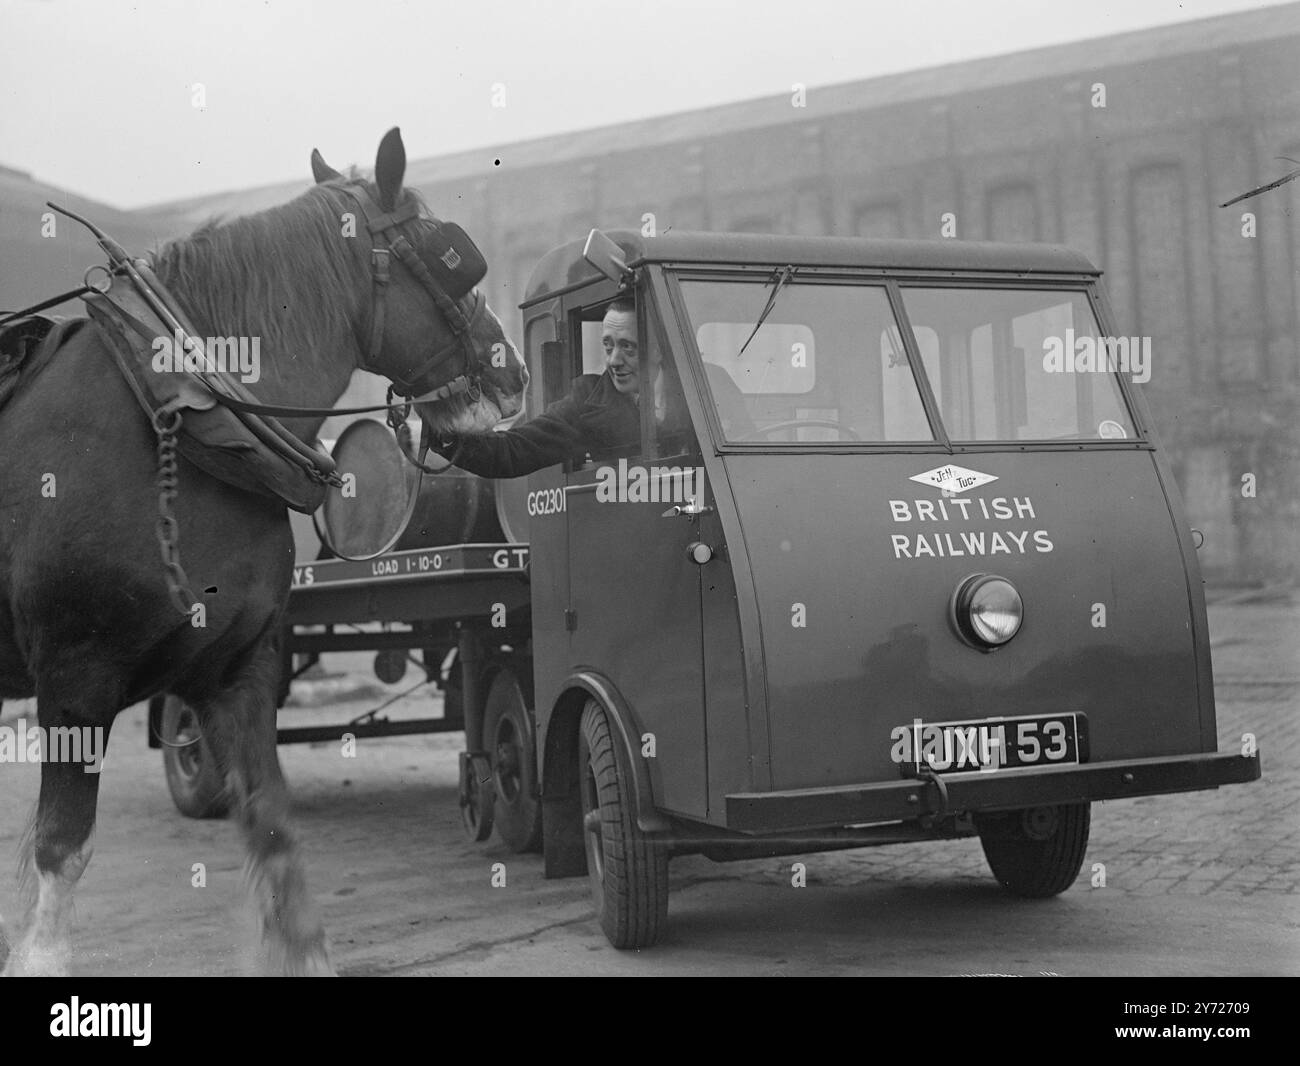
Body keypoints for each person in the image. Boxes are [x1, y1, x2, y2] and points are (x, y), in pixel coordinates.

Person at [430, 298, 682, 477]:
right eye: (608, 346)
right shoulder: (588, 400)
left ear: (658, 350)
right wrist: (443, 423)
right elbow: (511, 452)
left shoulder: (706, 388)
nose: (614, 360)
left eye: (628, 347)